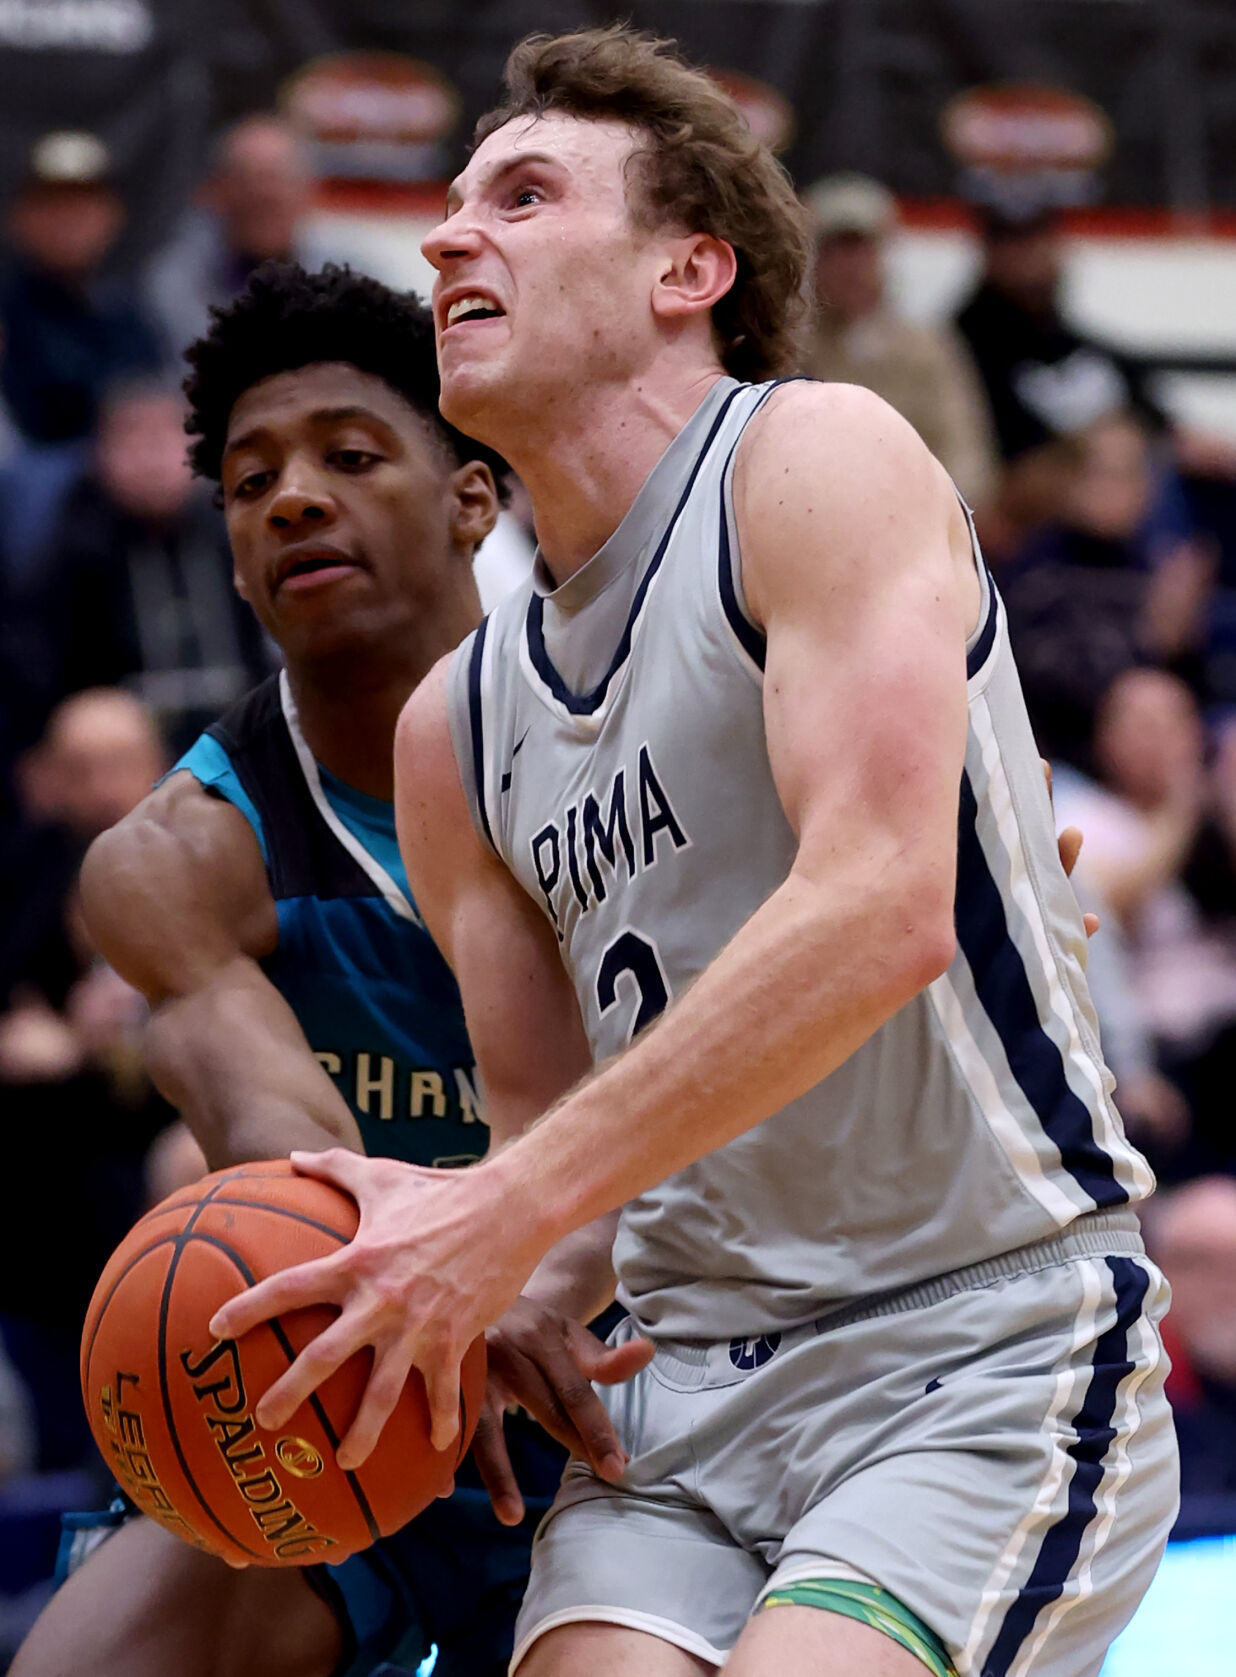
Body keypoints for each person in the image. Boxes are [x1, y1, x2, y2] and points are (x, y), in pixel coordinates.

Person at [213, 28, 1178, 1677]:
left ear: (688, 266)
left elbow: (883, 912)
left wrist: (507, 1201)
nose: (449, 238)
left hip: (975, 1336)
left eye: (518, 195)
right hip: (680, 1382)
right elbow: (560, 1163)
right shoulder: (461, 727)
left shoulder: (811, 460)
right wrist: (460, 1257)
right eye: (447, 207)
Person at [11, 263, 647, 1677]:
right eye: (249, 484)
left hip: (622, 1387)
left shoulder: (641, 751)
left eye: (350, 458)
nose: (294, 497)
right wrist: (433, 1296)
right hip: (340, 1364)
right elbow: (285, 1148)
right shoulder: (177, 854)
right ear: (232, 554)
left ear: (472, 497)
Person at [5, 378, 272, 758]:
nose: (153, 460)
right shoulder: (73, 545)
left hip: (240, 731)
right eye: (133, 442)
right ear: (100, 453)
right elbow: (36, 674)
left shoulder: (236, 532)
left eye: (167, 439)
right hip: (124, 752)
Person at [801, 172, 996, 509]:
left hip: (913, 517)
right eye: (836, 251)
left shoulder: (926, 348)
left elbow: (968, 454)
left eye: (862, 249)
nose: (851, 266)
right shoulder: (787, 345)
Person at [0, 130, 161, 445]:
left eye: (83, 205)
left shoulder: (128, 310)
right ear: (19, 217)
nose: (69, 221)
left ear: (112, 217)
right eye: (52, 204)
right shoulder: (8, 312)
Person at [146, 115, 333, 362]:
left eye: (277, 179)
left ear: (308, 193)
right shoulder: (172, 286)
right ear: (216, 192)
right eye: (246, 180)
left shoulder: (350, 285)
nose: (264, 194)